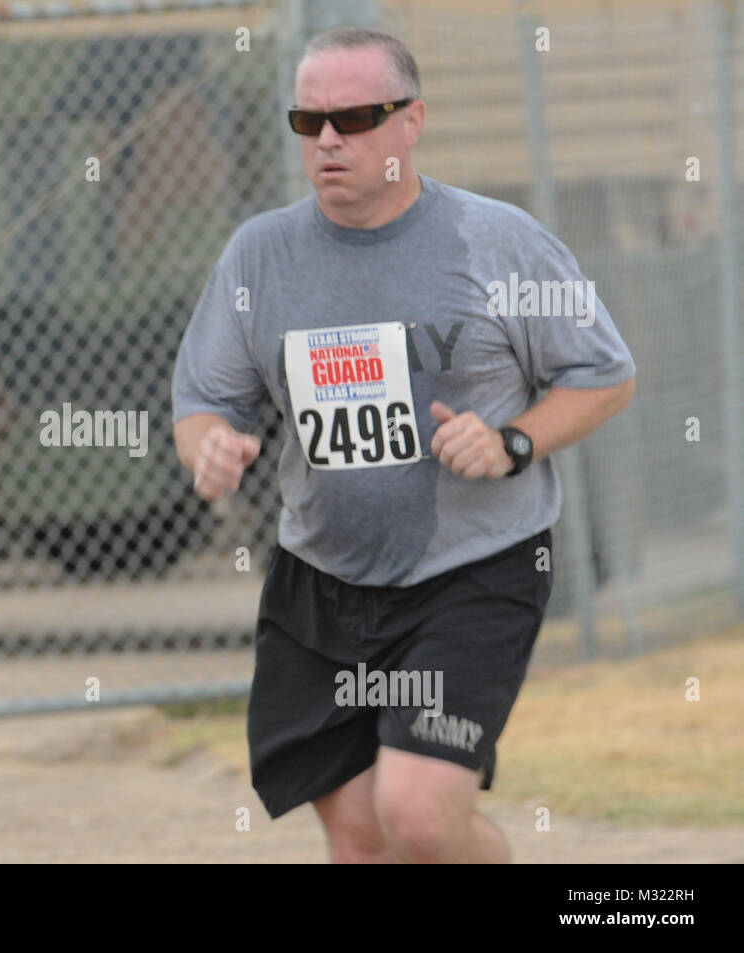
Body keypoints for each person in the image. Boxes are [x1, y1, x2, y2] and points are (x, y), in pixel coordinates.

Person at [171, 26, 636, 863]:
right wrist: (208, 447)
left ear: (412, 120)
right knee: (359, 836)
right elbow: (205, 398)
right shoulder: (260, 255)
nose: (329, 141)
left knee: (419, 816)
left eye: (353, 117)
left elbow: (605, 374)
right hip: (322, 581)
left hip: (471, 572)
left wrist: (513, 442)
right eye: (308, 122)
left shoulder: (497, 242)